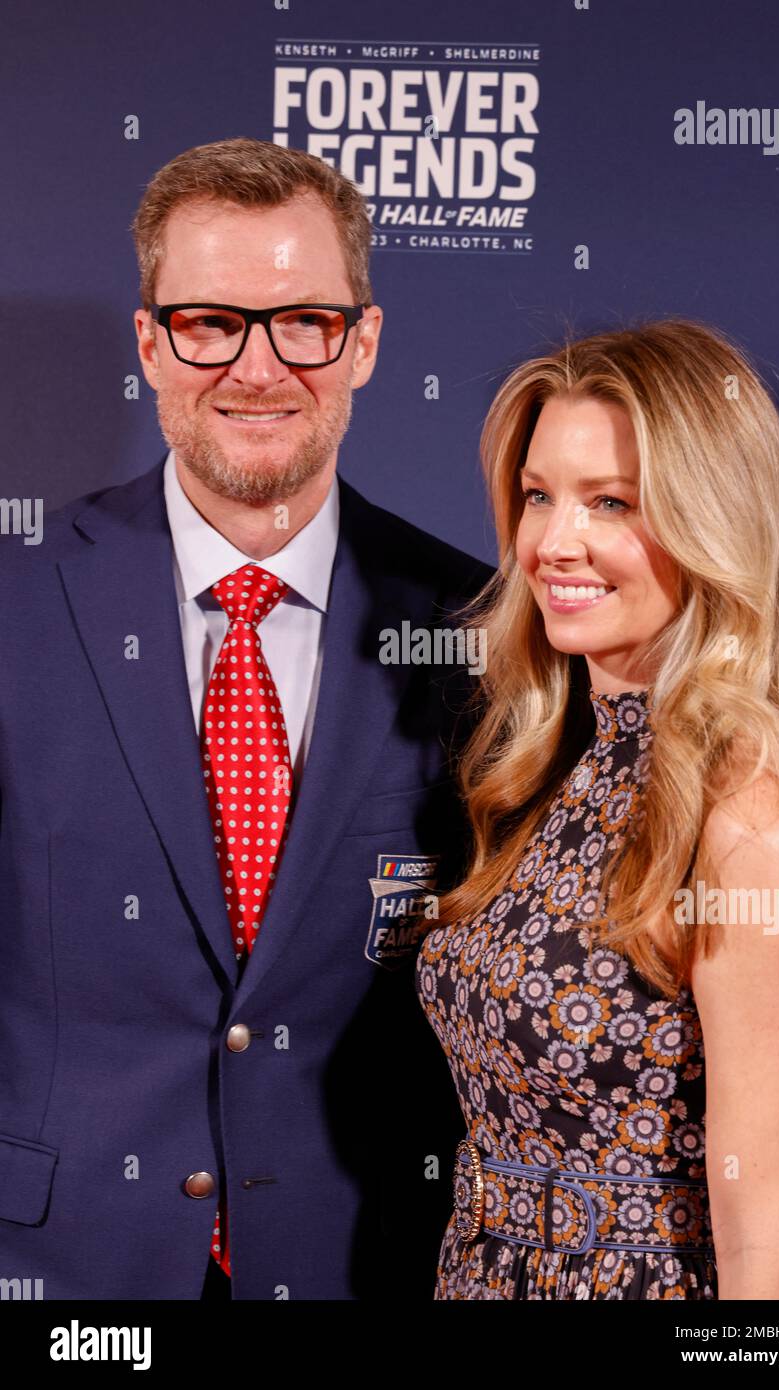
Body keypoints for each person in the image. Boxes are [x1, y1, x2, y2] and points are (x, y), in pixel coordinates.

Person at [0, 137, 491, 1300]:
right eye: (210, 322)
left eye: (303, 322)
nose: (258, 368)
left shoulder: (484, 634)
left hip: (368, 1261)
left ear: (363, 343)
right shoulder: (16, 601)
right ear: (149, 343)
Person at [416, 319, 779, 1299]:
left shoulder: (752, 824)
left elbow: (769, 1254)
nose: (550, 542)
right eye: (537, 496)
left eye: (609, 502)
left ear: (713, 523)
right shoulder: (560, 767)